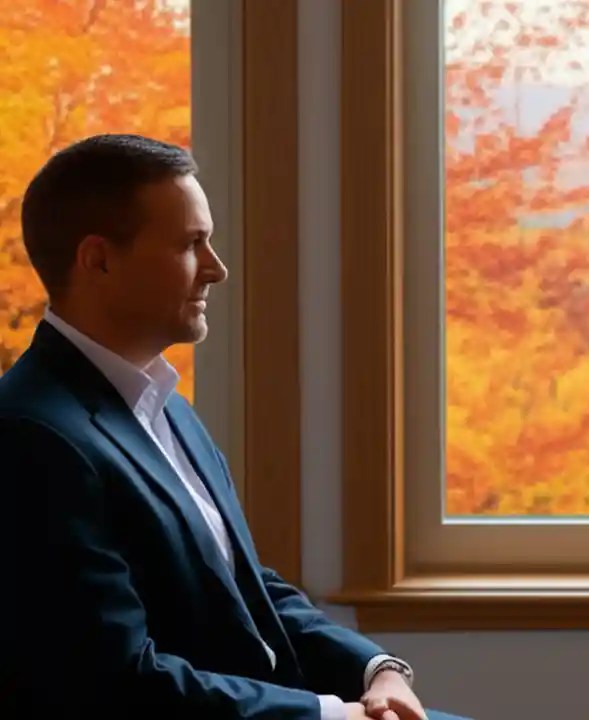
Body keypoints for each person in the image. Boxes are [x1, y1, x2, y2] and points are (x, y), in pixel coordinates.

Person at [0, 134, 427, 720]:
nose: (217, 269)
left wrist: (376, 670)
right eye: (191, 244)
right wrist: (331, 715)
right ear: (98, 259)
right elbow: (112, 678)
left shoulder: (162, 404)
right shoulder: (32, 435)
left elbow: (245, 585)